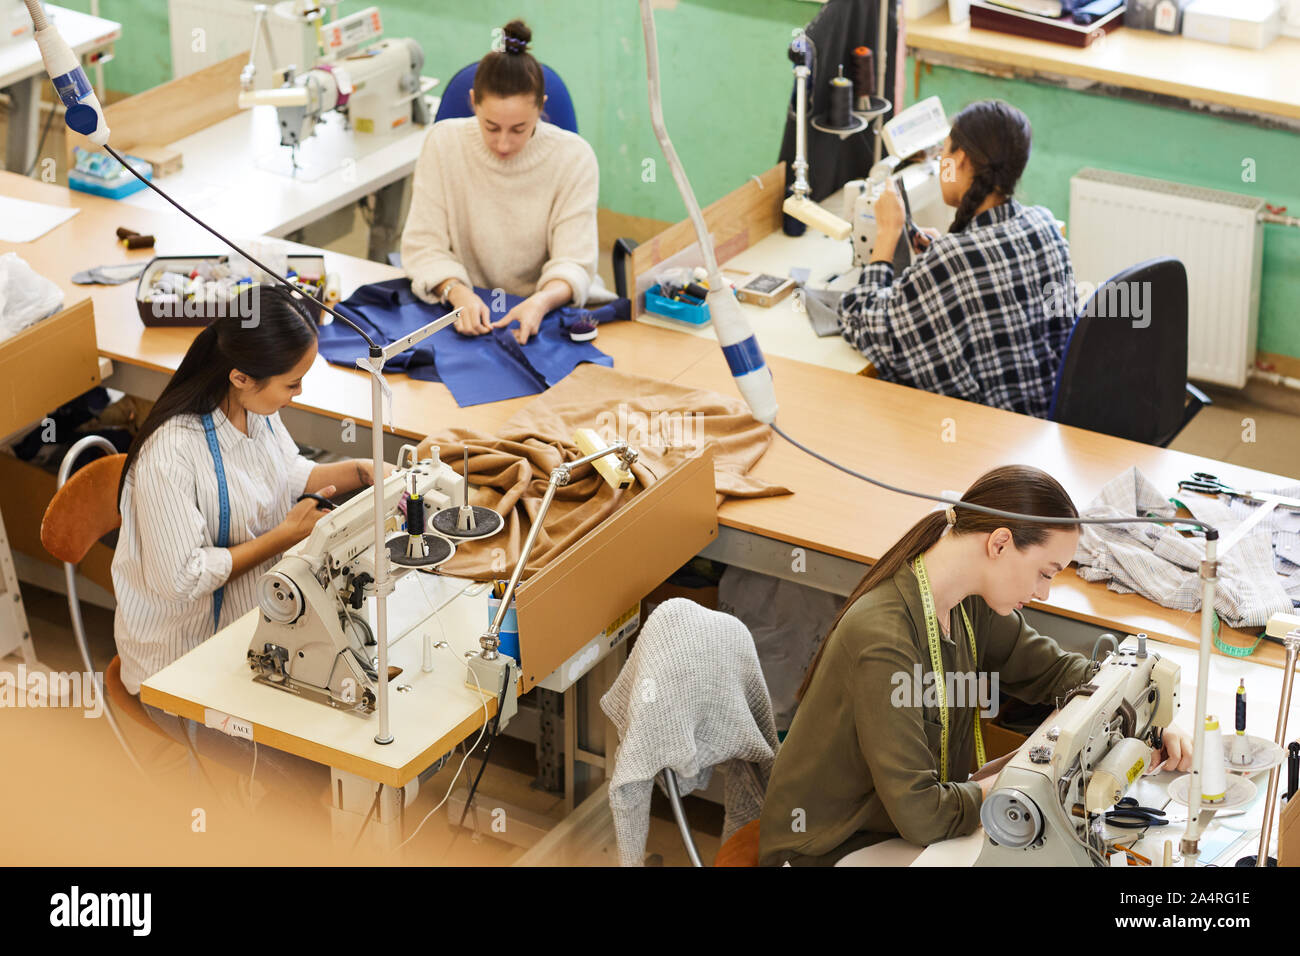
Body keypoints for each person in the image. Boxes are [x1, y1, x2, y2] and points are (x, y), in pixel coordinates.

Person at [757, 465, 1193, 866]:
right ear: (1000, 543)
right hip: (827, 848)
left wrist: (1148, 716)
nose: (1044, 593)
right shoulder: (883, 640)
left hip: (901, 826)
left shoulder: (969, 606)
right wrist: (1014, 785)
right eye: (1045, 572)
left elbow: (1062, 675)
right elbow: (922, 815)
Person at [112, 287, 391, 796]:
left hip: (248, 634)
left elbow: (288, 474)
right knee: (310, 772)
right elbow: (182, 579)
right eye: (292, 384)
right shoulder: (170, 456)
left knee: (350, 730)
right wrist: (283, 537)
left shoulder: (254, 410)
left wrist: (359, 469)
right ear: (241, 376)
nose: (298, 394)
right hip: (178, 669)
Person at [837, 100, 1076, 419]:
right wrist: (941, 256)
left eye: (943, 154)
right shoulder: (1044, 224)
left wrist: (887, 235)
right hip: (1041, 430)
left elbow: (858, 320)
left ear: (960, 160)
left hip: (988, 445)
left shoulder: (951, 259)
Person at [400, 19, 598, 345]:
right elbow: (424, 247)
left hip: (542, 312)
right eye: (491, 127)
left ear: (542, 108)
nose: (503, 144)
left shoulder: (574, 158)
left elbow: (574, 262)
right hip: (461, 306)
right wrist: (456, 292)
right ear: (473, 101)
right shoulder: (443, 143)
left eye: (519, 129)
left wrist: (541, 301)